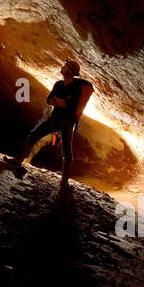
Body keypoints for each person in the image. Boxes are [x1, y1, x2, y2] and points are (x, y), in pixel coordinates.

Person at [13, 60, 93, 194]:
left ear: (71, 71)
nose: (62, 67)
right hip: (54, 119)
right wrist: (62, 101)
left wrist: (60, 101)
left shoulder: (76, 87)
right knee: (33, 134)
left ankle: (65, 180)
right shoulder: (58, 84)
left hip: (67, 122)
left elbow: (72, 105)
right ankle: (18, 160)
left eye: (65, 66)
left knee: (66, 149)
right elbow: (49, 100)